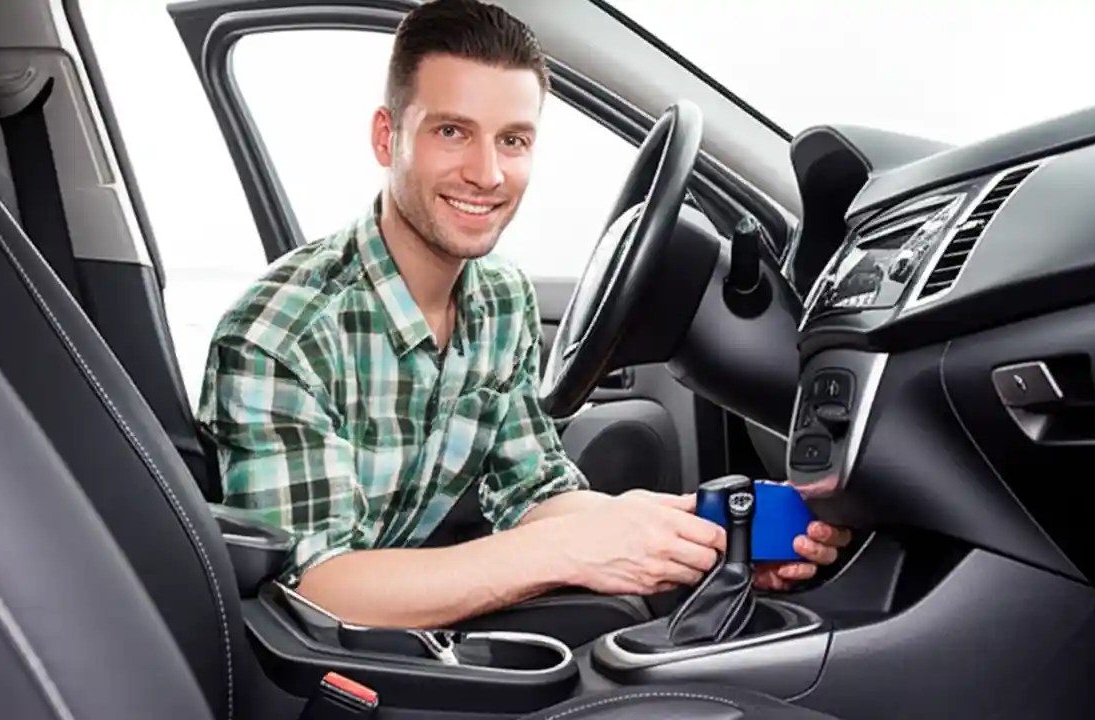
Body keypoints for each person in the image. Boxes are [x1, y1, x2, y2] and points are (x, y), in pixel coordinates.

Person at [196, 0, 850, 630]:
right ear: (386, 137)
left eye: (513, 140)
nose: (486, 173)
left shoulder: (501, 295)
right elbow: (313, 587)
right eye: (452, 131)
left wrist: (690, 538)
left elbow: (531, 493)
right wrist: (566, 553)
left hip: (422, 633)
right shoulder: (279, 333)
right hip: (326, 669)